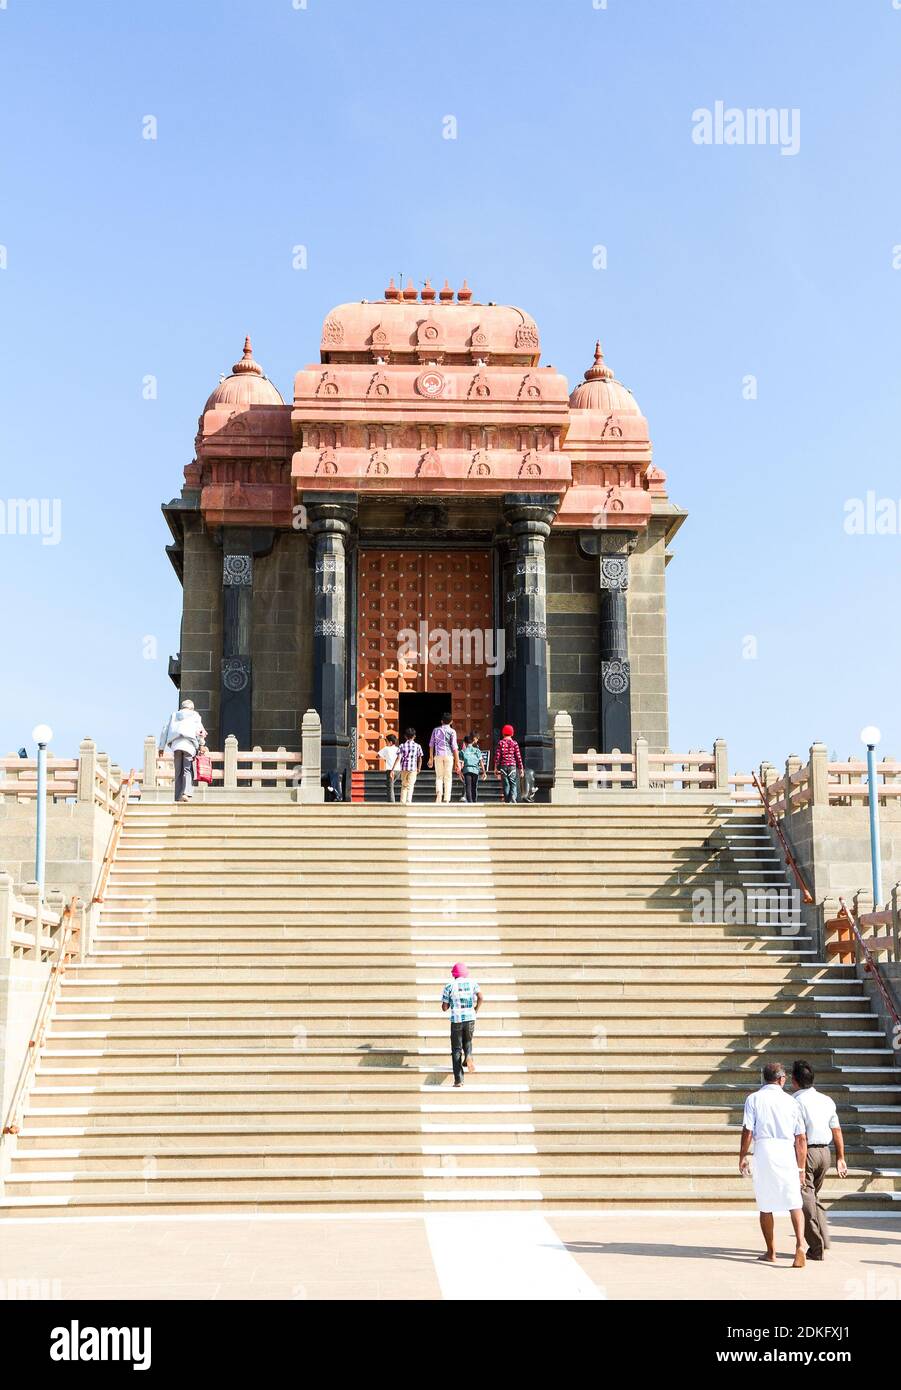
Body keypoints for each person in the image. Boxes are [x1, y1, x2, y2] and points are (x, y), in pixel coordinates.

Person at [739, 1060, 808, 1267]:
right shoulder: (792, 1102)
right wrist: (801, 1168)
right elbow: (801, 1138)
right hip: (786, 1150)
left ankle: (771, 1251)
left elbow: (748, 1130)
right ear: (781, 1079)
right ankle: (799, 1245)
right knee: (794, 1201)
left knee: (765, 1204)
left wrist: (742, 1155)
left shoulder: (754, 1099)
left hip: (764, 1150)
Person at [791, 1059, 848, 1261]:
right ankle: (824, 1236)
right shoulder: (826, 1100)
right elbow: (837, 1129)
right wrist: (841, 1157)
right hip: (825, 1152)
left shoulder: (795, 1101)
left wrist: (798, 1163)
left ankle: (815, 1246)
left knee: (804, 1197)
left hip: (806, 1152)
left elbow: (800, 1136)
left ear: (794, 1080)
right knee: (813, 1195)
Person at [441, 962, 483, 1088]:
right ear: (465, 974)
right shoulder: (472, 983)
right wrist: (475, 1008)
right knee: (468, 1041)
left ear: (454, 975)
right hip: (470, 1018)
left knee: (456, 1050)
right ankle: (469, 1056)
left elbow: (444, 1007)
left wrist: (449, 1004)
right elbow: (481, 997)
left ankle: (458, 1080)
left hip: (457, 1020)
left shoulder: (449, 986)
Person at [158, 699, 207, 803]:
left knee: (178, 771)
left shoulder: (174, 715)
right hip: (189, 745)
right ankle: (185, 793)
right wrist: (202, 744)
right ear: (191, 708)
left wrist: (161, 748)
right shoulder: (195, 715)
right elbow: (200, 731)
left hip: (176, 746)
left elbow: (165, 730)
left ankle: (177, 796)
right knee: (187, 770)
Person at [428, 712, 460, 804]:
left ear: (442, 721)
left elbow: (431, 745)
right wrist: (457, 761)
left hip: (438, 755)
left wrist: (430, 758)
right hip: (449, 755)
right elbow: (454, 747)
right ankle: (446, 798)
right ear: (451, 722)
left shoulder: (435, 730)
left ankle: (439, 794)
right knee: (448, 777)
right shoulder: (452, 731)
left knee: (439, 777)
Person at [494, 723, 524, 805]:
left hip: (503, 766)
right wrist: (521, 768)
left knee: (505, 784)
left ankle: (507, 800)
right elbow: (518, 756)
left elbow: (497, 756)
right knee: (513, 783)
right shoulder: (514, 743)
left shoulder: (501, 743)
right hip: (512, 766)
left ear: (503, 733)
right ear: (512, 733)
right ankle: (513, 798)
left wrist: (496, 767)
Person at [397, 727, 423, 804]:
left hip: (404, 768)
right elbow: (420, 758)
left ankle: (402, 801)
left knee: (404, 785)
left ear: (405, 736)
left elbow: (399, 757)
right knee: (411, 785)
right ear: (414, 736)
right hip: (413, 768)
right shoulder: (417, 746)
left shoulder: (402, 746)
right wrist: (419, 768)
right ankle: (408, 801)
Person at [460, 733, 487, 804]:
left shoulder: (462, 751)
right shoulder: (477, 750)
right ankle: (474, 801)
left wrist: (460, 773)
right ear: (472, 741)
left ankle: (470, 802)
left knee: (468, 786)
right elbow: (481, 762)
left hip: (467, 770)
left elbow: (460, 764)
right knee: (474, 786)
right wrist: (484, 772)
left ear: (465, 743)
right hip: (475, 770)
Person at [378, 733, 400, 803]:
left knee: (390, 788)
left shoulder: (386, 748)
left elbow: (378, 756)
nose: (385, 743)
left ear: (390, 742)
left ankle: (391, 803)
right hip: (398, 770)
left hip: (390, 770)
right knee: (390, 784)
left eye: (386, 741)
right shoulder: (398, 749)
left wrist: (384, 757)